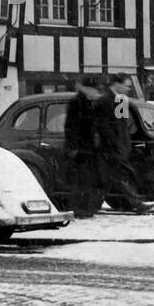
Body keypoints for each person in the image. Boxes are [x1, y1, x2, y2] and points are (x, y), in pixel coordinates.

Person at [92, 74, 154, 214]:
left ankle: (93, 204)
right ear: (117, 84)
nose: (128, 89)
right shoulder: (104, 100)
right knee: (119, 176)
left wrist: (124, 144)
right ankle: (136, 203)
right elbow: (104, 127)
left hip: (115, 148)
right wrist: (115, 143)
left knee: (110, 178)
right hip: (108, 148)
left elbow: (122, 126)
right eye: (126, 86)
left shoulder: (120, 100)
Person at [63, 78, 104, 217]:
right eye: (95, 89)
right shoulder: (77, 102)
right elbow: (71, 126)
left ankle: (85, 207)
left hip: (88, 147)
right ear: (88, 88)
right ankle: (78, 208)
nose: (96, 92)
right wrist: (73, 146)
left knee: (87, 179)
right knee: (81, 179)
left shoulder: (87, 102)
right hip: (81, 148)